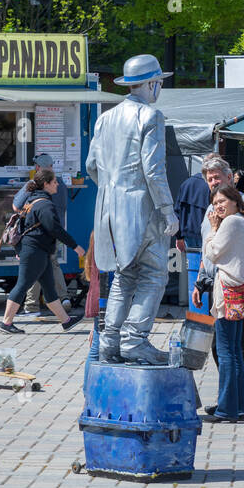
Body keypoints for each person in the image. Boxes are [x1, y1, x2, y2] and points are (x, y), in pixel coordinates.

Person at [86, 54, 178, 365]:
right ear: (151, 84)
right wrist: (168, 211)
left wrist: (112, 192)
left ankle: (110, 340)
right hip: (143, 210)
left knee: (125, 276)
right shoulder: (150, 117)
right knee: (154, 275)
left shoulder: (104, 118)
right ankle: (135, 339)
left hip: (110, 212)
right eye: (159, 83)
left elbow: (91, 166)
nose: (160, 89)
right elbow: (154, 171)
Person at [197, 184, 244, 423]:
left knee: (227, 351)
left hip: (228, 292)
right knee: (236, 352)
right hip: (243, 294)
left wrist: (212, 229)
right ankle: (239, 404)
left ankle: (227, 409)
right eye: (214, 203)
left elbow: (213, 252)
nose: (218, 206)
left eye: (222, 201)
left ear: (235, 201)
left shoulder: (230, 223)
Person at [0, 168, 87, 334]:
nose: (57, 184)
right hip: (35, 251)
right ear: (46, 184)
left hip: (38, 251)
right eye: (54, 182)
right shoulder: (44, 205)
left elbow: (24, 228)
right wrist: (75, 246)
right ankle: (6, 323)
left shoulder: (32, 201)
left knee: (49, 287)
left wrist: (20, 249)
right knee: (22, 285)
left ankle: (66, 321)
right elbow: (55, 229)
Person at [12, 156, 72, 318]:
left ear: (38, 168)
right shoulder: (59, 183)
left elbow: (16, 206)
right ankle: (63, 298)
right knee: (52, 264)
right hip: (55, 230)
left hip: (37, 233)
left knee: (35, 267)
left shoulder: (33, 184)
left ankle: (31, 306)